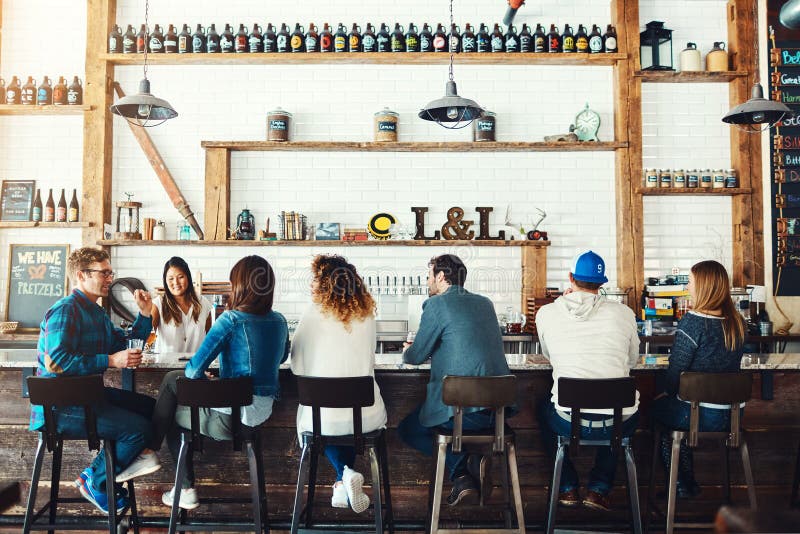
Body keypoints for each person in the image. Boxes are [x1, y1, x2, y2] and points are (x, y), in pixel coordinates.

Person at [147, 255, 290, 510]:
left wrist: (207, 380)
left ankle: (169, 472)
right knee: (176, 404)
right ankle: (163, 467)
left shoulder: (231, 320)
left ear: (240, 286)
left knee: (171, 400)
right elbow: (281, 358)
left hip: (229, 420)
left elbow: (193, 371)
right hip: (258, 418)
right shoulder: (279, 320)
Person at [29, 247, 160, 514]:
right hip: (60, 407)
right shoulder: (66, 310)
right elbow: (56, 362)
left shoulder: (97, 313)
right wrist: (110, 361)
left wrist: (145, 314)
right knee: (138, 430)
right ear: (81, 275)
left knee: (151, 408)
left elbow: (123, 344)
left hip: (86, 398)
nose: (110, 278)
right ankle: (98, 482)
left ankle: (102, 471)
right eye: (104, 273)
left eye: (111, 273)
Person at [398, 254, 510, 506]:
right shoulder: (485, 303)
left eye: (429, 275)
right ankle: (463, 475)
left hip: (461, 412)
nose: (428, 281)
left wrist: (408, 349)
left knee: (408, 430)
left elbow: (415, 357)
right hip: (497, 412)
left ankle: (464, 466)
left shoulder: (436, 304)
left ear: (440, 276)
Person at [535, 250, 640, 512]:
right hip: (616, 421)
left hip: (567, 420)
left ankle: (567, 486)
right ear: (602, 283)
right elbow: (633, 360)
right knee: (620, 415)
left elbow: (549, 355)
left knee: (543, 410)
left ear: (571, 278)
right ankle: (599, 489)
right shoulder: (625, 313)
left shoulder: (546, 312)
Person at [290, 254, 387, 513]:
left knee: (322, 423)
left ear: (324, 284)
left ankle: (343, 475)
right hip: (366, 417)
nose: (311, 284)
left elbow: (296, 365)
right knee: (345, 422)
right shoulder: (366, 315)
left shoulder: (313, 313)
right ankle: (343, 480)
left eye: (315, 279)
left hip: (322, 418)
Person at [652, 260, 745, 498]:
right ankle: (687, 483)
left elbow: (676, 372)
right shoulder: (737, 322)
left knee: (658, 412)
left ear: (703, 287)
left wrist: (666, 392)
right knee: (678, 412)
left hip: (696, 415)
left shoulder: (693, 322)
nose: (687, 287)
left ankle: (681, 483)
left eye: (691, 282)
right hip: (731, 417)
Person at [151, 256, 212, 354]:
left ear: (188, 277)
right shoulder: (158, 304)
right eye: (171, 278)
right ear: (165, 281)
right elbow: (146, 337)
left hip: (196, 362)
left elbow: (211, 339)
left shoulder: (203, 303)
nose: (176, 282)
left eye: (180, 277)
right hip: (166, 363)